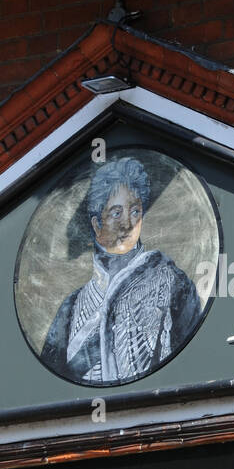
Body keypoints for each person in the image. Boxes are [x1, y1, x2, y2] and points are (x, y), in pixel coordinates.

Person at [42, 157, 202, 385]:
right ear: (97, 225)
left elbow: (192, 367)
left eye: (135, 211)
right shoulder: (70, 307)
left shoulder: (173, 283)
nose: (128, 224)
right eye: (116, 213)